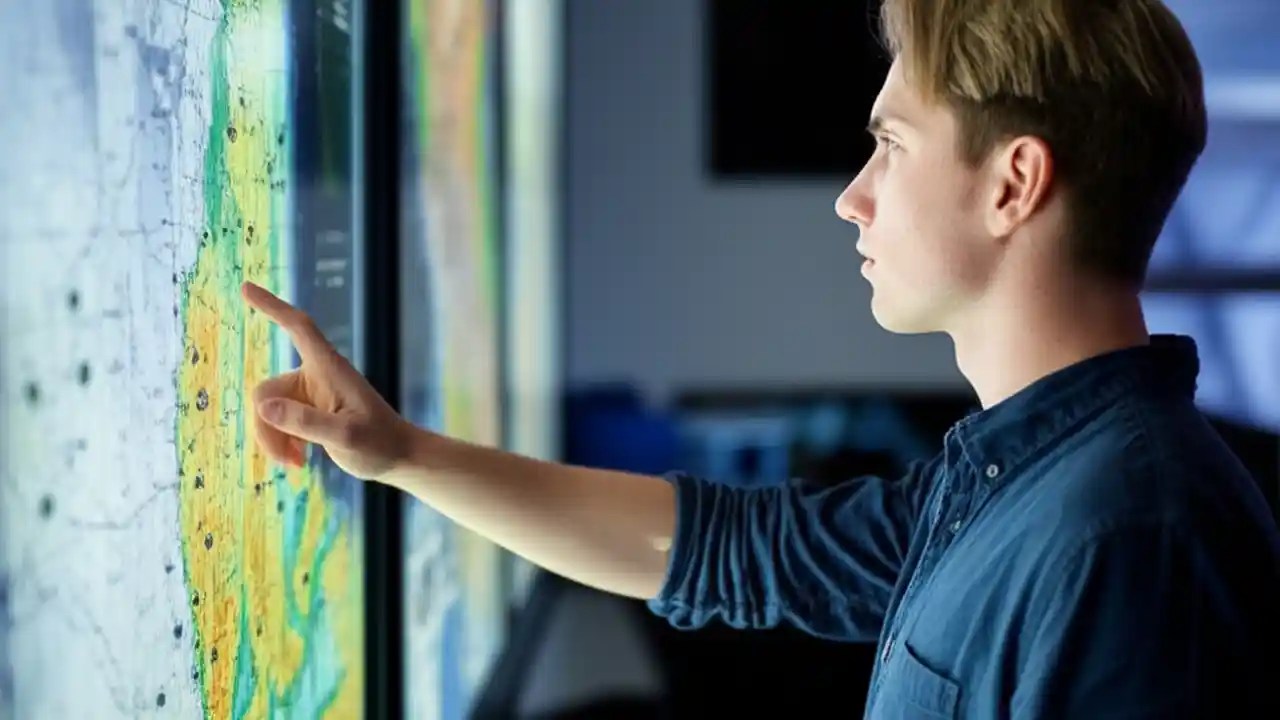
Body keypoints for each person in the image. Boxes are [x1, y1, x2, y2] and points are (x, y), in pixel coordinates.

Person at [241, 0, 1280, 716]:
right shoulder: (1012, 482)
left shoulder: (1132, 534)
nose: (853, 195)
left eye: (892, 145)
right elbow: (717, 551)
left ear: (1010, 185)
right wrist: (401, 453)